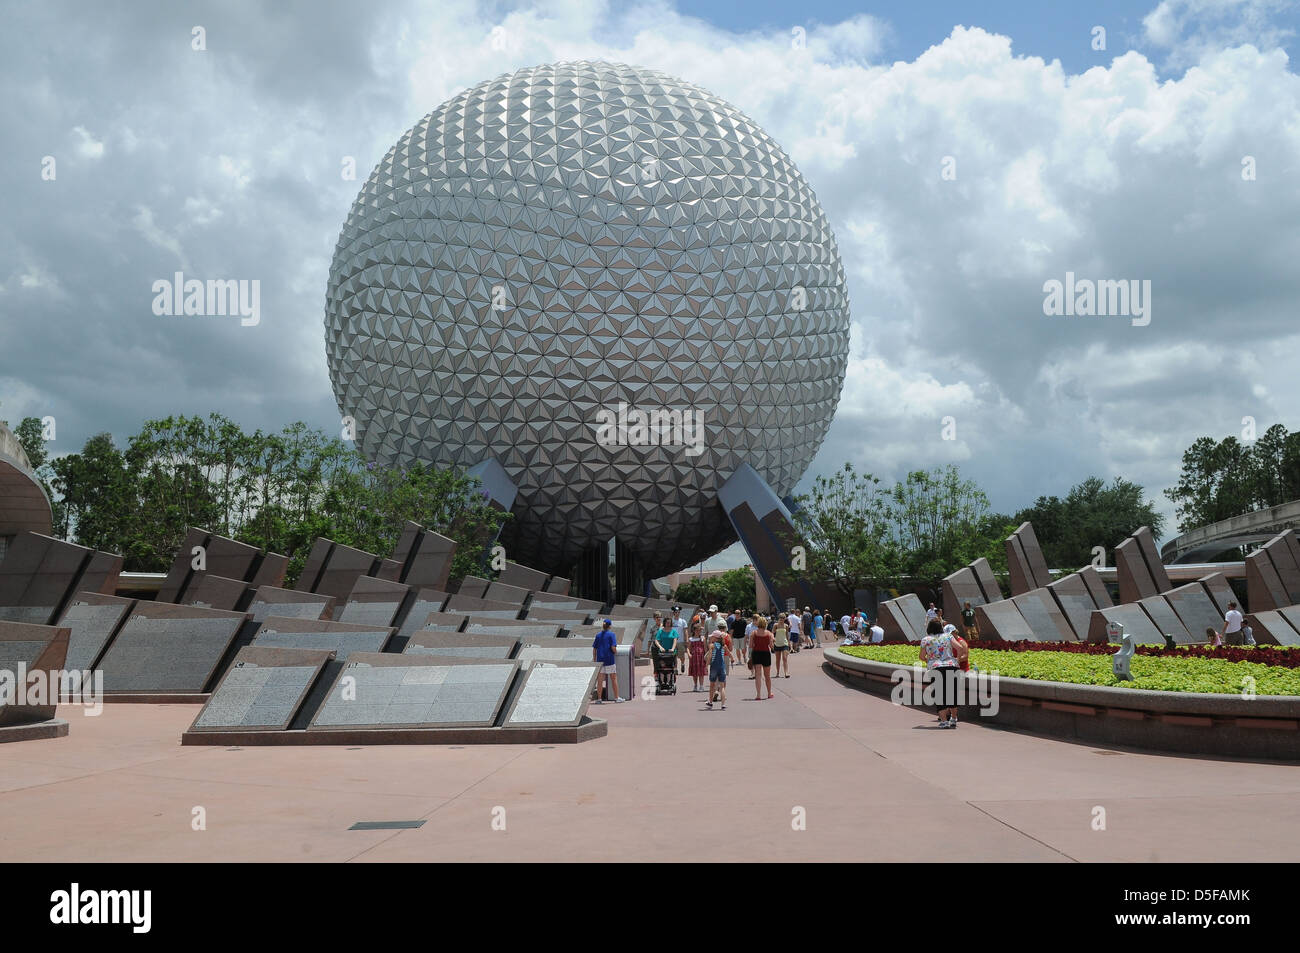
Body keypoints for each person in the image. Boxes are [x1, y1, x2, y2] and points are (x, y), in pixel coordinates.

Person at [919, 618, 963, 728]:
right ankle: (953, 718)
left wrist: (928, 660)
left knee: (940, 694)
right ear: (941, 627)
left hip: (936, 667)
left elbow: (921, 656)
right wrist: (957, 659)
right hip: (951, 665)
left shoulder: (926, 639)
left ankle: (944, 721)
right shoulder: (948, 636)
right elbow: (960, 648)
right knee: (951, 693)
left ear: (929, 628)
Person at [592, 619, 622, 703]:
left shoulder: (598, 635)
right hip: (609, 659)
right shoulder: (611, 635)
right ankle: (616, 698)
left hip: (600, 660)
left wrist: (595, 659)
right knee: (613, 678)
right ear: (610, 626)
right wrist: (616, 652)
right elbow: (613, 647)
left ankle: (599, 699)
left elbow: (594, 648)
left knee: (600, 680)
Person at [750, 615, 775, 699]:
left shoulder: (754, 633)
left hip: (756, 653)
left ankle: (758, 695)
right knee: (767, 675)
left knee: (758, 675)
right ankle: (769, 693)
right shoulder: (769, 634)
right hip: (765, 654)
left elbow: (750, 645)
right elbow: (771, 646)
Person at [706, 624, 728, 710]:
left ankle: (710, 702)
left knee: (712, 685)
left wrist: (706, 665)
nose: (711, 638)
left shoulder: (712, 646)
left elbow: (709, 656)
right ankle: (723, 704)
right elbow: (729, 653)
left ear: (715, 638)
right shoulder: (723, 646)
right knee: (722, 686)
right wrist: (732, 658)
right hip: (722, 667)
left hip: (714, 667)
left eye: (712, 637)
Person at [687, 616, 708, 691]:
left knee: (701, 672)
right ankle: (695, 685)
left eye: (700, 630)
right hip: (694, 657)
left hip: (701, 656)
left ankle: (701, 686)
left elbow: (705, 648)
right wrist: (689, 654)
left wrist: (706, 656)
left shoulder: (703, 638)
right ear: (694, 630)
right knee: (694, 672)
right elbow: (688, 648)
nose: (699, 632)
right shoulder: (691, 639)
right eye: (698, 630)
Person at [671, 605, 689, 673]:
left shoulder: (683, 621)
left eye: (678, 612)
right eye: (676, 612)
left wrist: (686, 639)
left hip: (681, 641)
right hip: (673, 642)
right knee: (674, 655)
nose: (677, 613)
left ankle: (682, 664)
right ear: (673, 613)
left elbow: (685, 631)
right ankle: (675, 668)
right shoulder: (671, 621)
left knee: (681, 655)